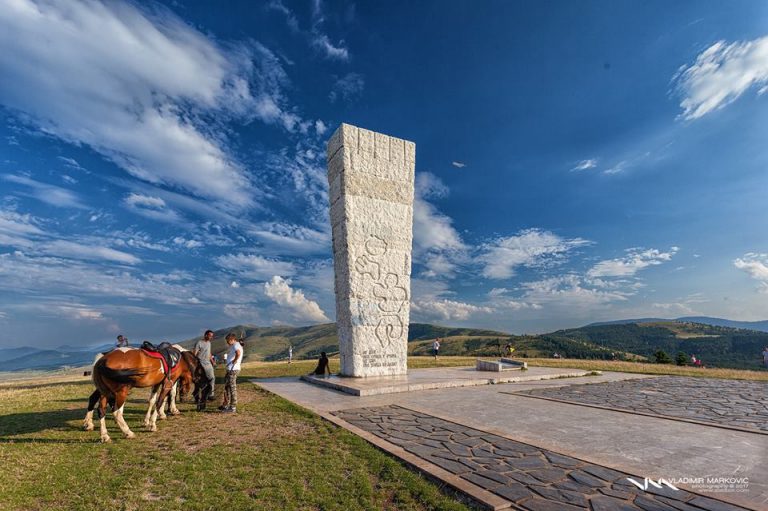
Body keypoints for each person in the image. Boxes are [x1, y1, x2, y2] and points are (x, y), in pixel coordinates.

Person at [220, 333, 243, 413]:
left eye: (227, 341)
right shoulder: (234, 345)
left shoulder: (236, 345)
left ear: (232, 339)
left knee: (232, 388)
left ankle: (232, 407)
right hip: (230, 369)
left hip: (233, 369)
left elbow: (238, 353)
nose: (227, 343)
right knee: (227, 387)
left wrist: (234, 360)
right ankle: (226, 404)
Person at [193, 329, 216, 403]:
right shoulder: (199, 342)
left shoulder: (209, 343)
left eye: (212, 336)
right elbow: (195, 353)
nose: (211, 337)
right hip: (201, 362)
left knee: (212, 378)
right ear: (205, 335)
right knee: (202, 380)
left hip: (208, 362)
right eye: (209, 336)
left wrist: (213, 361)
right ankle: (200, 395)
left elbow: (209, 353)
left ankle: (211, 394)